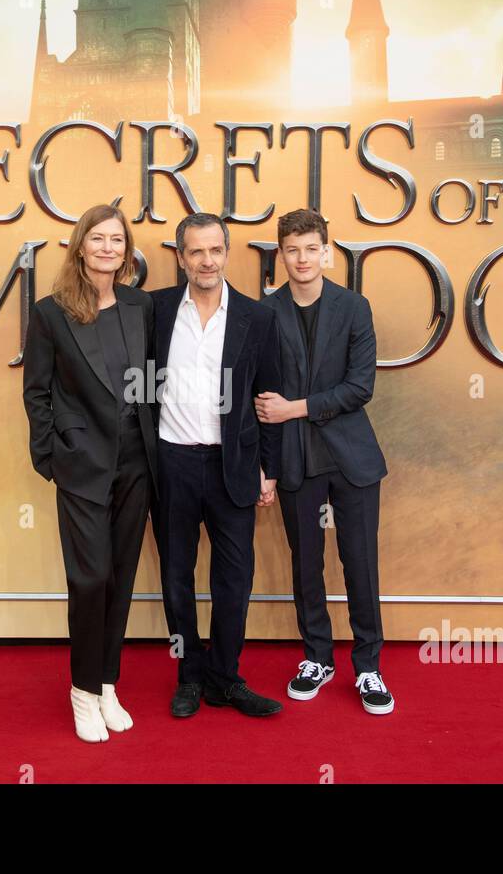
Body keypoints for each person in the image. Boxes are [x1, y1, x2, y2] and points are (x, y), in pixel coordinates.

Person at [22, 204, 159, 742]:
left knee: (121, 576)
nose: (108, 248)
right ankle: (81, 690)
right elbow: (36, 391)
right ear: (80, 246)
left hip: (136, 462)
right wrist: (50, 456)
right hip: (82, 464)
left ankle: (106, 685)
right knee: (90, 578)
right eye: (98, 239)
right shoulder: (51, 313)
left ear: (126, 251)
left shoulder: (139, 305)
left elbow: (150, 379)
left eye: (117, 240)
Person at [254, 208, 393, 715]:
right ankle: (317, 657)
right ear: (281, 255)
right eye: (292, 249)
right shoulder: (264, 312)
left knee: (360, 564)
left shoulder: (355, 308)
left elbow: (361, 387)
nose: (302, 258)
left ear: (326, 252)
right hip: (294, 460)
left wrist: (297, 407)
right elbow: (258, 396)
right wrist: (265, 467)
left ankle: (369, 666)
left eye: (311, 248)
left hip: (351, 458)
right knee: (306, 565)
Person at [151, 212, 284, 718]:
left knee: (234, 578)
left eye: (215, 250)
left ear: (226, 253)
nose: (206, 260)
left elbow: (268, 397)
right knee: (176, 578)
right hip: (172, 466)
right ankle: (188, 676)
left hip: (233, 468)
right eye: (195, 252)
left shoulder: (257, 317)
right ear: (181, 257)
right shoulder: (157, 310)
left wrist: (267, 469)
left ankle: (225, 678)